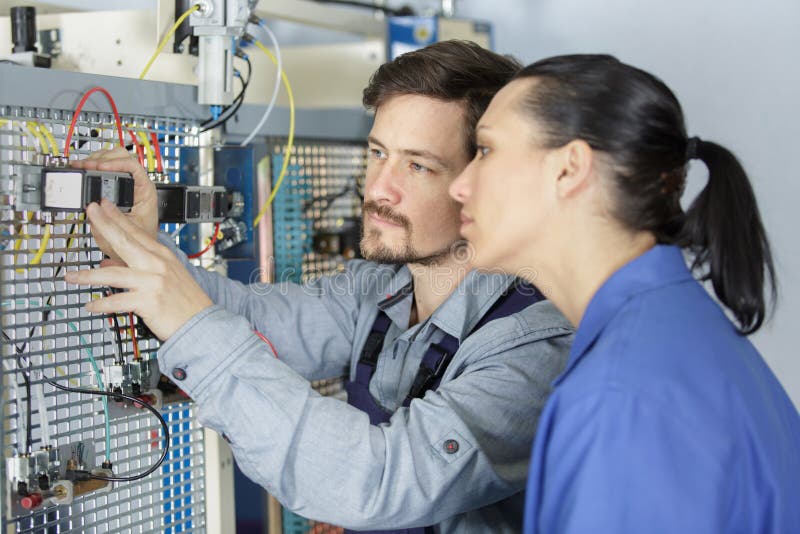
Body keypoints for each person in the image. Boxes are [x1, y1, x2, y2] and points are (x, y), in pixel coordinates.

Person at [65, 41, 574, 532]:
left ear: (483, 183)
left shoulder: (533, 348)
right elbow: (250, 318)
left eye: (417, 165)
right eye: (378, 153)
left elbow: (377, 483)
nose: (378, 188)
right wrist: (142, 245)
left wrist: (189, 322)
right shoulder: (377, 289)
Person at [449, 54, 800, 533]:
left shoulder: (621, 399)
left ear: (570, 169)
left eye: (486, 150)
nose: (459, 185)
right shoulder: (672, 331)